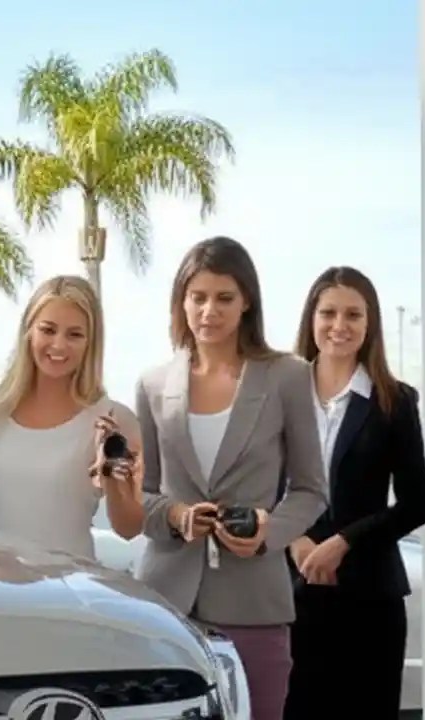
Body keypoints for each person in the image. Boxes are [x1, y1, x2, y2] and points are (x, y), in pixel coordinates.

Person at [132, 236, 327, 720]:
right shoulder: (153, 384)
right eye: (197, 297)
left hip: (255, 603)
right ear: (181, 302)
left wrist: (268, 532)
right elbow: (142, 494)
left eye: (223, 298)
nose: (208, 311)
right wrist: (175, 515)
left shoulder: (288, 376)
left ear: (247, 303)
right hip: (166, 604)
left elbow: (310, 489)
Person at [282, 266, 425, 720]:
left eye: (353, 315)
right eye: (328, 312)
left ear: (370, 325)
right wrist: (295, 538)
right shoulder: (277, 396)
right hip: (290, 595)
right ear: (312, 318)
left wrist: (343, 543)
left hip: (371, 602)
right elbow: (258, 487)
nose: (339, 326)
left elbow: (415, 505)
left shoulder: (395, 401)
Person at [0, 275, 144, 560]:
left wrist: (110, 472)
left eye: (74, 334)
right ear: (29, 331)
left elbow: (130, 527)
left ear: (91, 342)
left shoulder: (115, 419)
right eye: (48, 330)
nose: (59, 345)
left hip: (67, 592)